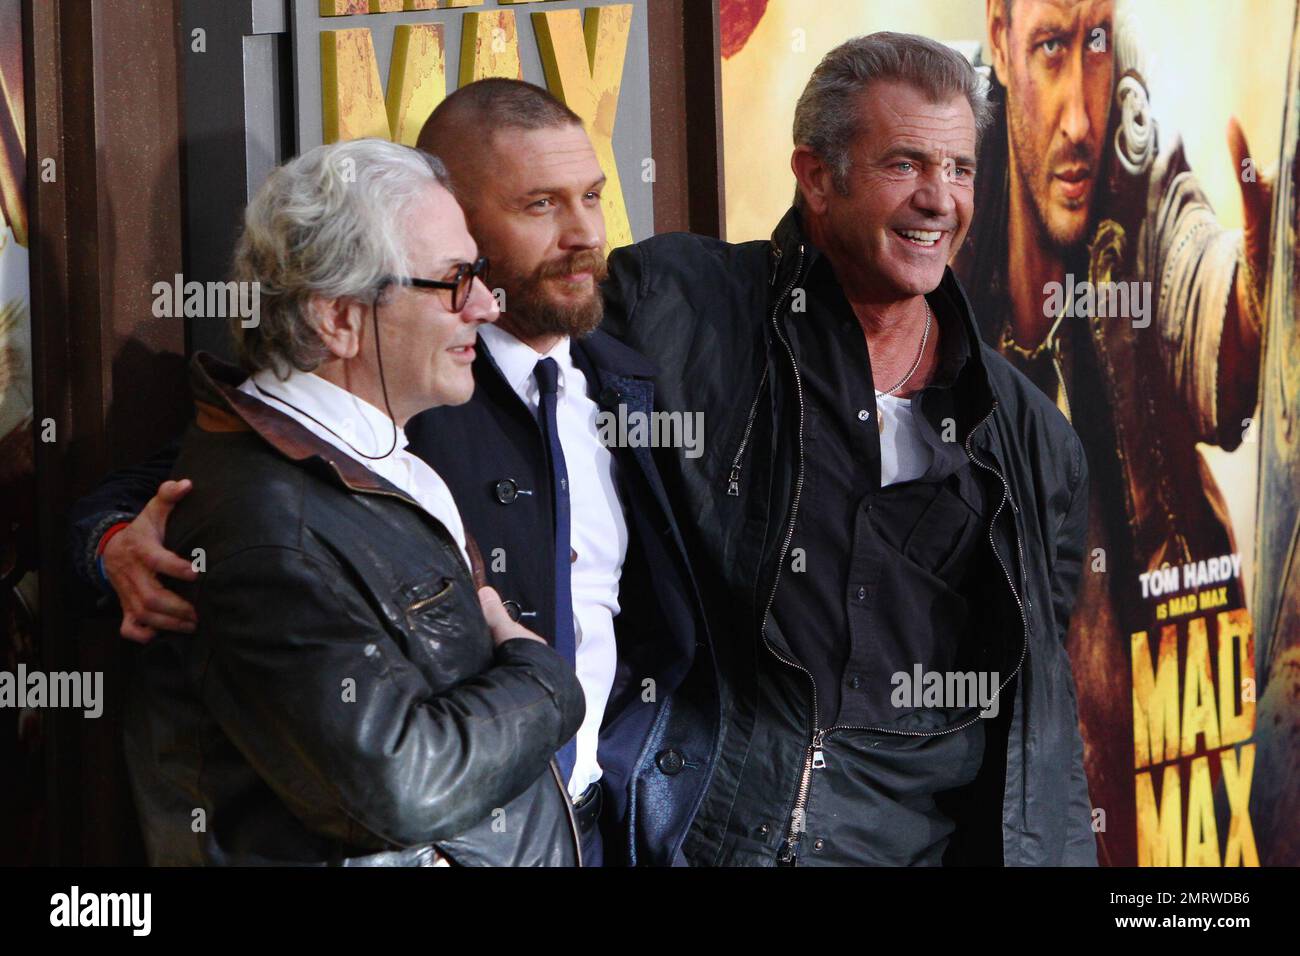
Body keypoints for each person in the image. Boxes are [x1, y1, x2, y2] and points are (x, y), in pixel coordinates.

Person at [69, 81, 718, 867]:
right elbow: (207, 497)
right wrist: (108, 545)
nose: (586, 233)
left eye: (592, 194)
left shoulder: (627, 373)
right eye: (541, 205)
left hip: (593, 826)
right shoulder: (373, 404)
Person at [602, 32, 1096, 865]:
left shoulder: (1029, 434)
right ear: (817, 178)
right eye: (905, 165)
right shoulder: (678, 311)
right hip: (699, 835)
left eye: (961, 169)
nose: (941, 200)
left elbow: (1034, 713)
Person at [122, 138, 586, 866]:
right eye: (453, 280)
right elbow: (400, 788)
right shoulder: (271, 529)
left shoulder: (359, 460)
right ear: (338, 318)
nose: (487, 306)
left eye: (482, 274)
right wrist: (545, 680)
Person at [953, 0, 1270, 864]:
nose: (1080, 115)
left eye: (1093, 41)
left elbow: (1198, 279)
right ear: (999, 35)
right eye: (1051, 46)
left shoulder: (1133, 147)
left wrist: (1260, 291)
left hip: (1171, 742)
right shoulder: (950, 164)